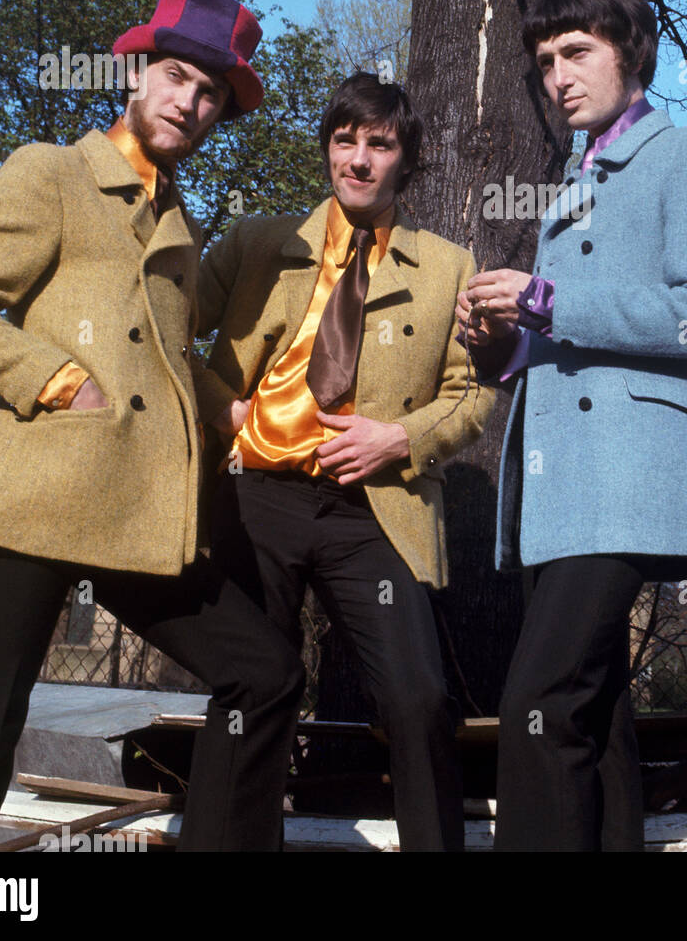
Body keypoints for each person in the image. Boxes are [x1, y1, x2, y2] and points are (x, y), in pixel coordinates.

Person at [0, 0, 306, 851]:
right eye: (176, 77)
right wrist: (57, 380)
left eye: (209, 94)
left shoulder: (179, 220)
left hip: (136, 510)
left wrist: (235, 412)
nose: (191, 103)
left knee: (264, 671)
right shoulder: (51, 171)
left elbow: (162, 364)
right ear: (136, 74)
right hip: (37, 497)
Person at [457, 0, 687, 851]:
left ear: (632, 52)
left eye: (577, 51)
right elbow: (556, 342)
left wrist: (546, 298)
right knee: (595, 708)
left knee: (540, 701)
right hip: (559, 492)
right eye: (546, 60)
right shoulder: (571, 180)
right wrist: (493, 338)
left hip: (630, 477)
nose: (558, 76)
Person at [195, 72, 494, 852]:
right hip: (255, 495)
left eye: (379, 143)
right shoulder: (259, 244)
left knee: (419, 695)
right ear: (327, 149)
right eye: (344, 140)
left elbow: (477, 393)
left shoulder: (448, 268)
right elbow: (157, 329)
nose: (358, 159)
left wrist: (399, 439)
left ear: (407, 159)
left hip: (375, 509)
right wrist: (222, 406)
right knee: (252, 689)